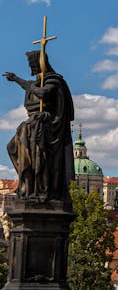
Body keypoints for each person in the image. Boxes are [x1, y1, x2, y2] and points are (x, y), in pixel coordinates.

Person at [5, 50, 74, 205]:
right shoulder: (37, 82)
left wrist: (29, 86)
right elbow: (29, 86)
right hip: (32, 124)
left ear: (40, 63)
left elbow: (43, 93)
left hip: (46, 127)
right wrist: (15, 79)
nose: (31, 67)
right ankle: (27, 183)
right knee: (12, 147)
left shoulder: (54, 80)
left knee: (38, 155)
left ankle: (37, 187)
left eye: (33, 64)